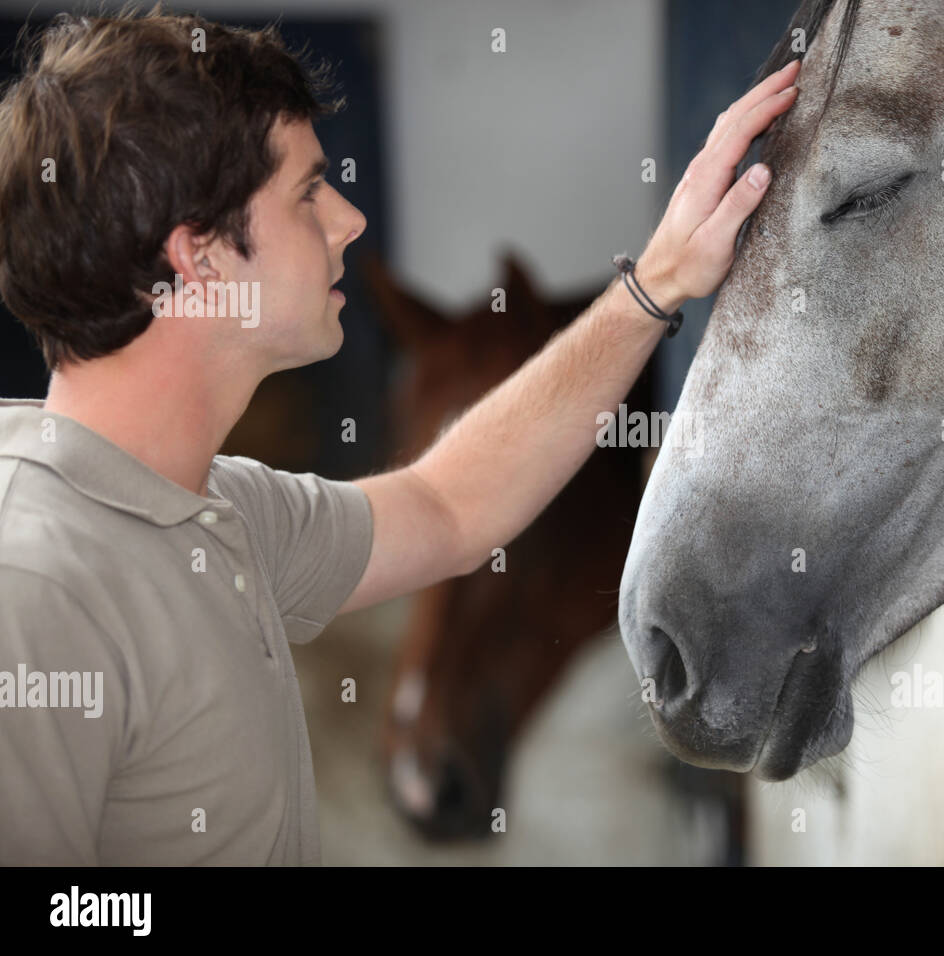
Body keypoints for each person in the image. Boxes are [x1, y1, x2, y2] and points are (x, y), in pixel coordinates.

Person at [0, 7, 798, 863]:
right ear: (200, 257)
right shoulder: (34, 581)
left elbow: (449, 504)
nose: (348, 220)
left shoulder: (217, 510)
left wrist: (660, 281)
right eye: (308, 192)